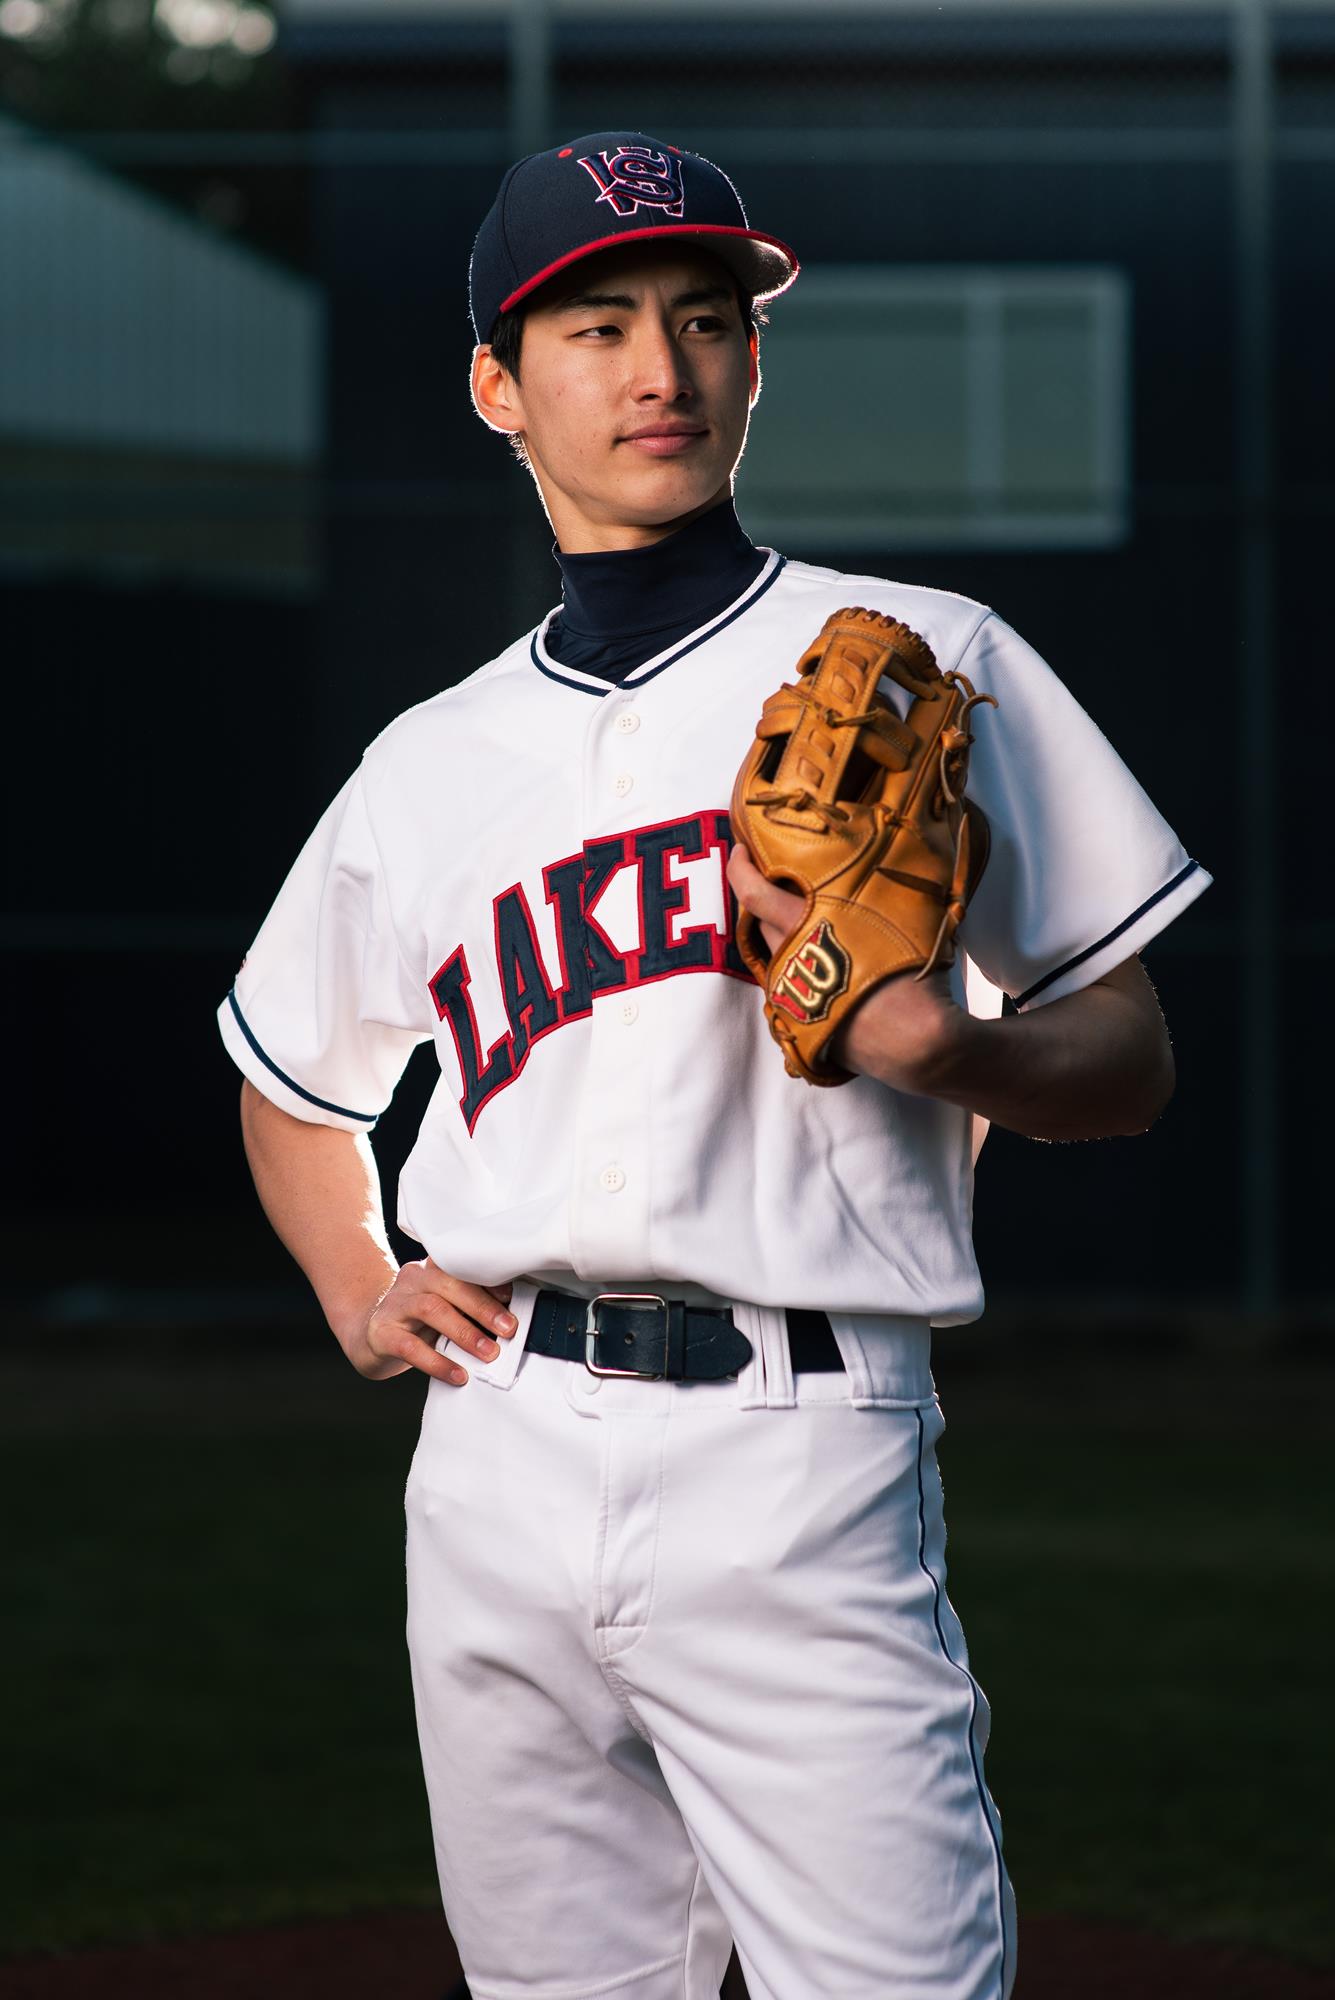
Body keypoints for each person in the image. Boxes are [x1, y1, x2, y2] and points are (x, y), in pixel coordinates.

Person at [218, 132, 1210, 2000]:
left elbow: (1132, 1055)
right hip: (494, 1454)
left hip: (798, 1448)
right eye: (594, 327)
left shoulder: (925, 658)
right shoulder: (428, 760)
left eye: (703, 317)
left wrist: (942, 1043)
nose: (661, 367)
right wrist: (356, 1280)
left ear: (756, 358)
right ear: (501, 387)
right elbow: (292, 1080)